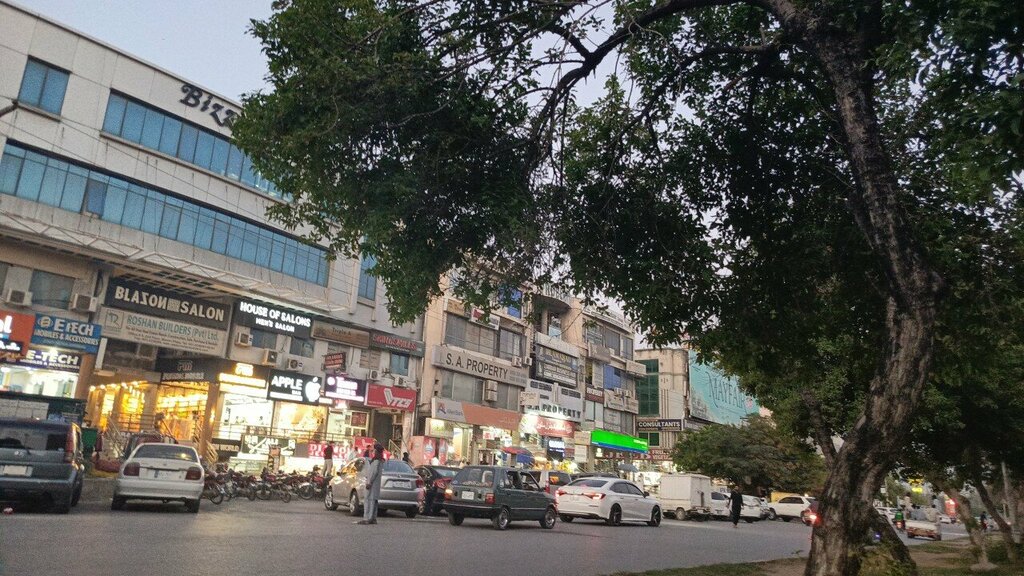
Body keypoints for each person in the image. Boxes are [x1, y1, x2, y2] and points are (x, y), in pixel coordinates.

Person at [358, 443, 385, 525]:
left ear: (376, 451)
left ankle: (367, 518)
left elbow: (374, 472)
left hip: (372, 483)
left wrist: (369, 482)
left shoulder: (376, 460)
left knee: (368, 500)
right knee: (374, 501)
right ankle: (373, 518)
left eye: (374, 450)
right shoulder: (380, 460)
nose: (373, 451)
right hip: (376, 484)